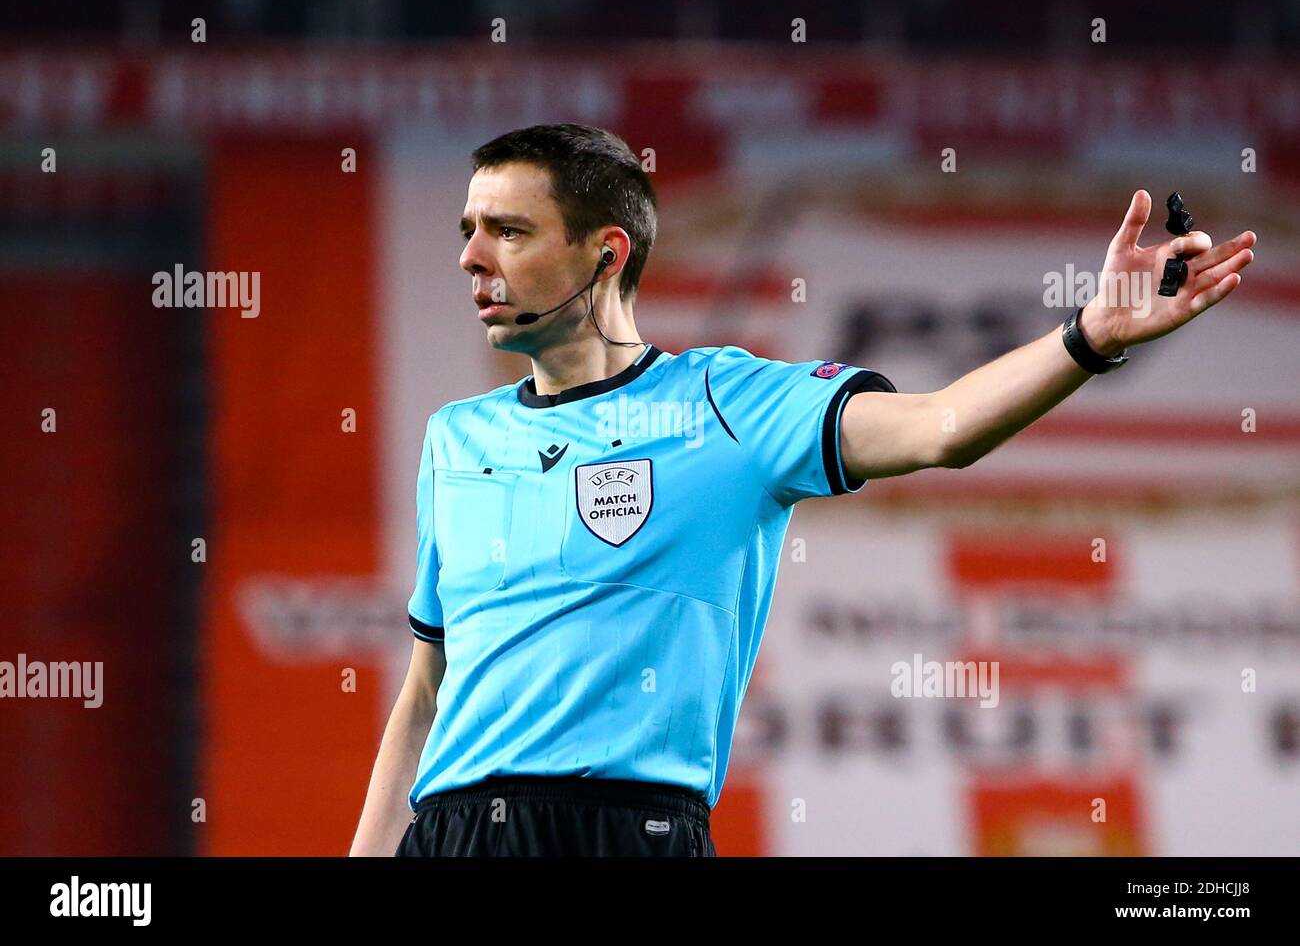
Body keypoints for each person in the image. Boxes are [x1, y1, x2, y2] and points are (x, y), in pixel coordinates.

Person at [349, 123, 1256, 856]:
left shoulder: (729, 403)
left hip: (631, 831)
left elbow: (939, 427)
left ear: (605, 254)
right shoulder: (455, 438)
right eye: (467, 230)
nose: (472, 257)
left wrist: (1090, 336)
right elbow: (428, 690)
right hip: (455, 835)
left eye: (507, 231)